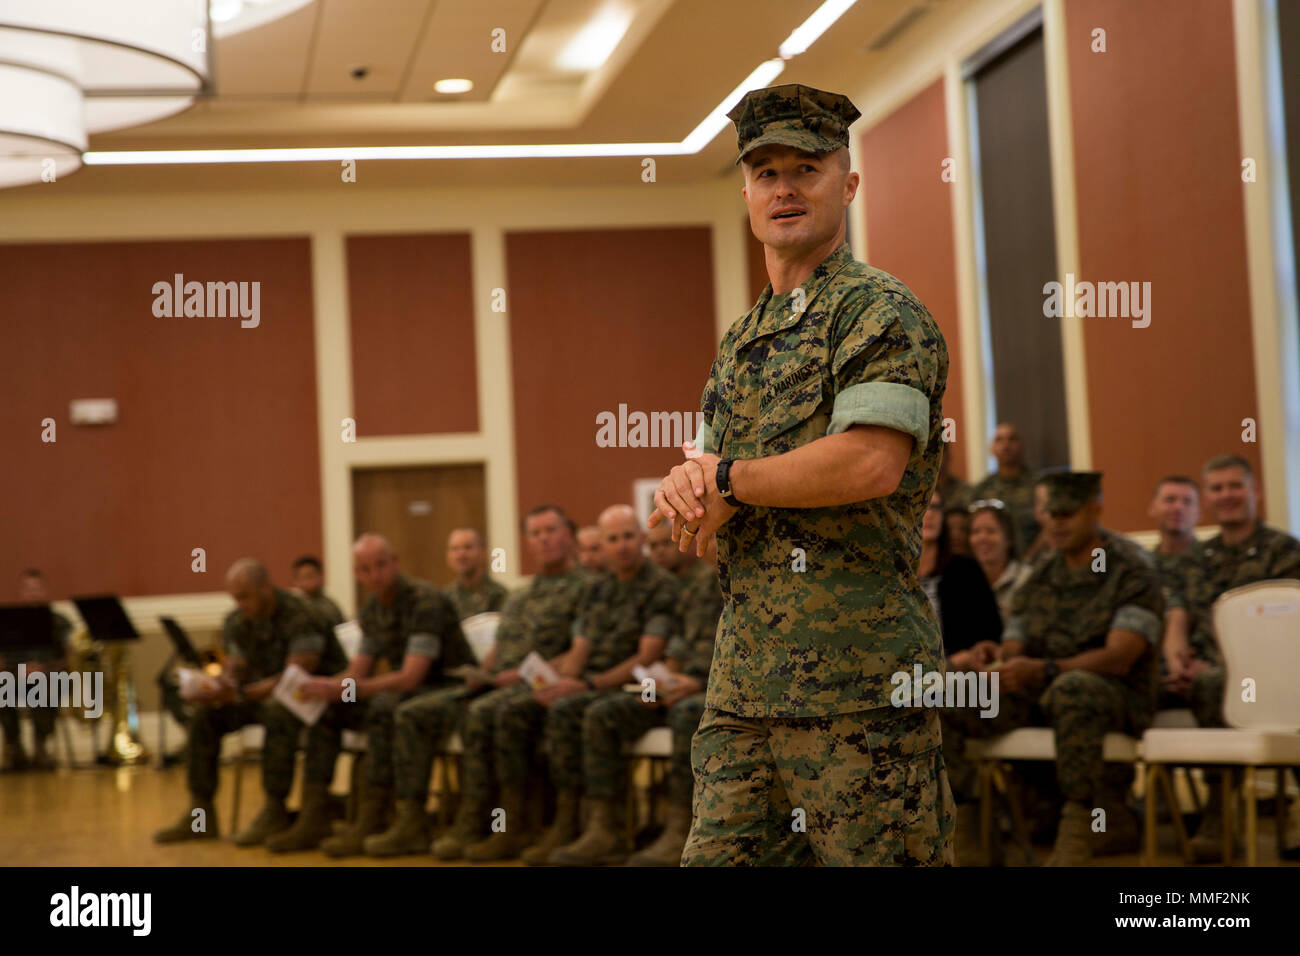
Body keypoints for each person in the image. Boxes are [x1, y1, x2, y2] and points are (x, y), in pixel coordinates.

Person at [651, 83, 953, 866]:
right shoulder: (741, 339)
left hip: (858, 690)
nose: (784, 188)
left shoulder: (879, 312)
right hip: (744, 686)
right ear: (747, 192)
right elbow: (704, 495)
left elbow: (869, 462)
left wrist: (725, 483)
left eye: (807, 168)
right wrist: (684, 494)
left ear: (847, 184)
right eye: (765, 171)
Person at [941, 472, 1163, 866]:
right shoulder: (1042, 576)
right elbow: (1017, 640)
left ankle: (1079, 825)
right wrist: (997, 657)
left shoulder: (1131, 570)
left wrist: (1043, 668)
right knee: (951, 692)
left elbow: (1121, 657)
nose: (1057, 522)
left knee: (1072, 687)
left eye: (1068, 513)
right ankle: (972, 819)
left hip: (1116, 696)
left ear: (1094, 509)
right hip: (1041, 688)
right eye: (1050, 513)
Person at [292, 534, 474, 857]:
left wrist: (347, 689)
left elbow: (411, 677)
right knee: (331, 710)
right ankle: (336, 813)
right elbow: (358, 671)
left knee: (391, 707)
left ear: (395, 563)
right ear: (356, 574)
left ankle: (411, 821)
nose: (374, 576)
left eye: (380, 566)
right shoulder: (373, 608)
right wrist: (326, 688)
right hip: (410, 692)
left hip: (454, 687)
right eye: (364, 570)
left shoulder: (424, 600)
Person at [520, 504, 680, 866]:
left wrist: (588, 685)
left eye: (628, 536)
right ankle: (571, 820)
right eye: (613, 539)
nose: (621, 545)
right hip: (595, 685)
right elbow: (581, 647)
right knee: (560, 708)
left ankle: (607, 830)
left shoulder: (661, 587)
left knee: (598, 714)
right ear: (602, 545)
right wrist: (563, 683)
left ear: (641, 538)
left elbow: (646, 656)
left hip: (643, 689)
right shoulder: (596, 590)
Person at [433, 505, 589, 862]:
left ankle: (513, 827)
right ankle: (478, 819)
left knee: (499, 714)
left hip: (551, 685)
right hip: (508, 683)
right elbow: (500, 650)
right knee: (472, 709)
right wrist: (484, 675)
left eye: (551, 530)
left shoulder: (587, 588)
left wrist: (518, 676)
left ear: (568, 535)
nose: (544, 538)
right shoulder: (520, 594)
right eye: (536, 533)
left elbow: (583, 650)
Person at [153, 559, 346, 845]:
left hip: (313, 699)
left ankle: (274, 809)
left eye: (245, 596)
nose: (240, 604)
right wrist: (220, 686)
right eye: (235, 598)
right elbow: (237, 666)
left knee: (277, 711)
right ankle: (200, 816)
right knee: (205, 716)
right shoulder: (237, 620)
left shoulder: (303, 614)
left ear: (266, 587)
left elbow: (294, 676)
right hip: (262, 695)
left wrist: (242, 693)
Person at [1167, 455, 1300, 861]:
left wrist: (1225, 668)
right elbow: (1177, 618)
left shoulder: (1283, 550)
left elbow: (1288, 627)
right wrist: (1176, 660)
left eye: (1235, 486)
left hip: (1277, 672)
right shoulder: (1195, 559)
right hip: (1207, 675)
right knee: (1201, 683)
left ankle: (1223, 814)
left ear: (1254, 491)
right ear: (1207, 497)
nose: (1227, 496)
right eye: (1217, 488)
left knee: (1215, 683)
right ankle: (1218, 813)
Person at [626, 553, 723, 866]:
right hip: (685, 682)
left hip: (717, 684)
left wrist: (696, 682)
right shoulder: (681, 587)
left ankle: (682, 826)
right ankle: (606, 827)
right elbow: (678, 643)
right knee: (605, 712)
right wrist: (662, 683)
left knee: (686, 713)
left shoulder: (720, 577)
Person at [1, 570, 73, 772]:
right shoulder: (8, 621)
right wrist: (21, 671)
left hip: (49, 676)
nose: (32, 593)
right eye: (28, 588)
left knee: (45, 685)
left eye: (36, 588)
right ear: (22, 592)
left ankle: (41, 745)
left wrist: (44, 669)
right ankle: (14, 747)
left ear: (44, 590)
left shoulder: (58, 622)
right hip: (15, 677)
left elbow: (67, 658)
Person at [918, 493, 1001, 656]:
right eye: (922, 504)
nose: (930, 514)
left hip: (962, 672)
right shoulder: (893, 572)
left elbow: (991, 632)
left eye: (935, 507)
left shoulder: (966, 570)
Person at [971, 423, 1039, 553]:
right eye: (999, 440)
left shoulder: (1038, 486)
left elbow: (1047, 528)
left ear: (1022, 446)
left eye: (1012, 439)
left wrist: (1030, 560)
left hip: (1033, 561)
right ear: (992, 449)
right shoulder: (981, 489)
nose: (1006, 446)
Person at [967, 500, 1032, 622]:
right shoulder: (963, 581)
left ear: (1009, 538)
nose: (982, 538)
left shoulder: (1027, 579)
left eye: (991, 531)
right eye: (976, 531)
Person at [442, 528, 508, 620]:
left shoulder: (499, 595)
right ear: (448, 556)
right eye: (455, 549)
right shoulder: (444, 599)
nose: (461, 554)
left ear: (483, 552)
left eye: (468, 547)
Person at [291, 555, 345, 626]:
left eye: (309, 576)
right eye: (300, 578)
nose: (305, 582)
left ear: (320, 577)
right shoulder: (291, 604)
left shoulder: (330, 606)